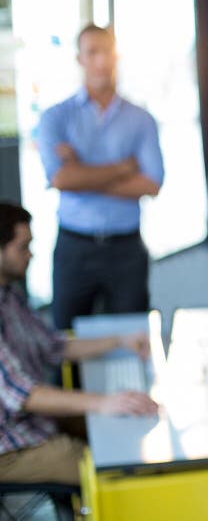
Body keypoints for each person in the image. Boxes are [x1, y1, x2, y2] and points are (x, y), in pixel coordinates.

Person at [0, 202, 159, 485]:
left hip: (34, 423)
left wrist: (120, 341)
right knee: (109, 472)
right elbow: (23, 395)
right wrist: (103, 402)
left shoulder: (9, 295)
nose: (31, 255)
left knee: (128, 428)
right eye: (22, 247)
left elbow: (54, 346)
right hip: (10, 446)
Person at [37, 23, 164, 331]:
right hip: (74, 248)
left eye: (107, 51)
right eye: (92, 52)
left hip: (126, 251)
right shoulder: (56, 117)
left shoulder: (141, 119)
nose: (101, 61)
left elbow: (151, 183)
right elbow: (62, 179)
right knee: (65, 343)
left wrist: (83, 173)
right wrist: (123, 168)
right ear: (79, 59)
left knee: (132, 341)